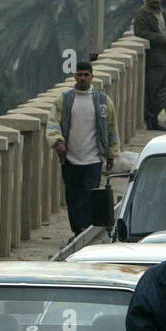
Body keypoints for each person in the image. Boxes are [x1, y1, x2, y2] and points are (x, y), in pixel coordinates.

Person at [46, 61, 121, 242]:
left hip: (93, 159)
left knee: (89, 196)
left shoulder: (103, 101)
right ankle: (77, 231)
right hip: (70, 159)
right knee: (72, 197)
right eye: (79, 75)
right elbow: (53, 123)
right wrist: (58, 142)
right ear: (75, 77)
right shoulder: (64, 100)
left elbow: (111, 128)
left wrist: (111, 153)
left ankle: (85, 231)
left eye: (86, 75)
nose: (82, 78)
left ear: (92, 77)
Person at [133, 0, 166, 131]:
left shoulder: (164, 13)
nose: (155, 0)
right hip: (155, 61)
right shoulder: (142, 15)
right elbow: (140, 32)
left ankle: (153, 115)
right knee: (152, 91)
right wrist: (160, 39)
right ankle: (151, 120)